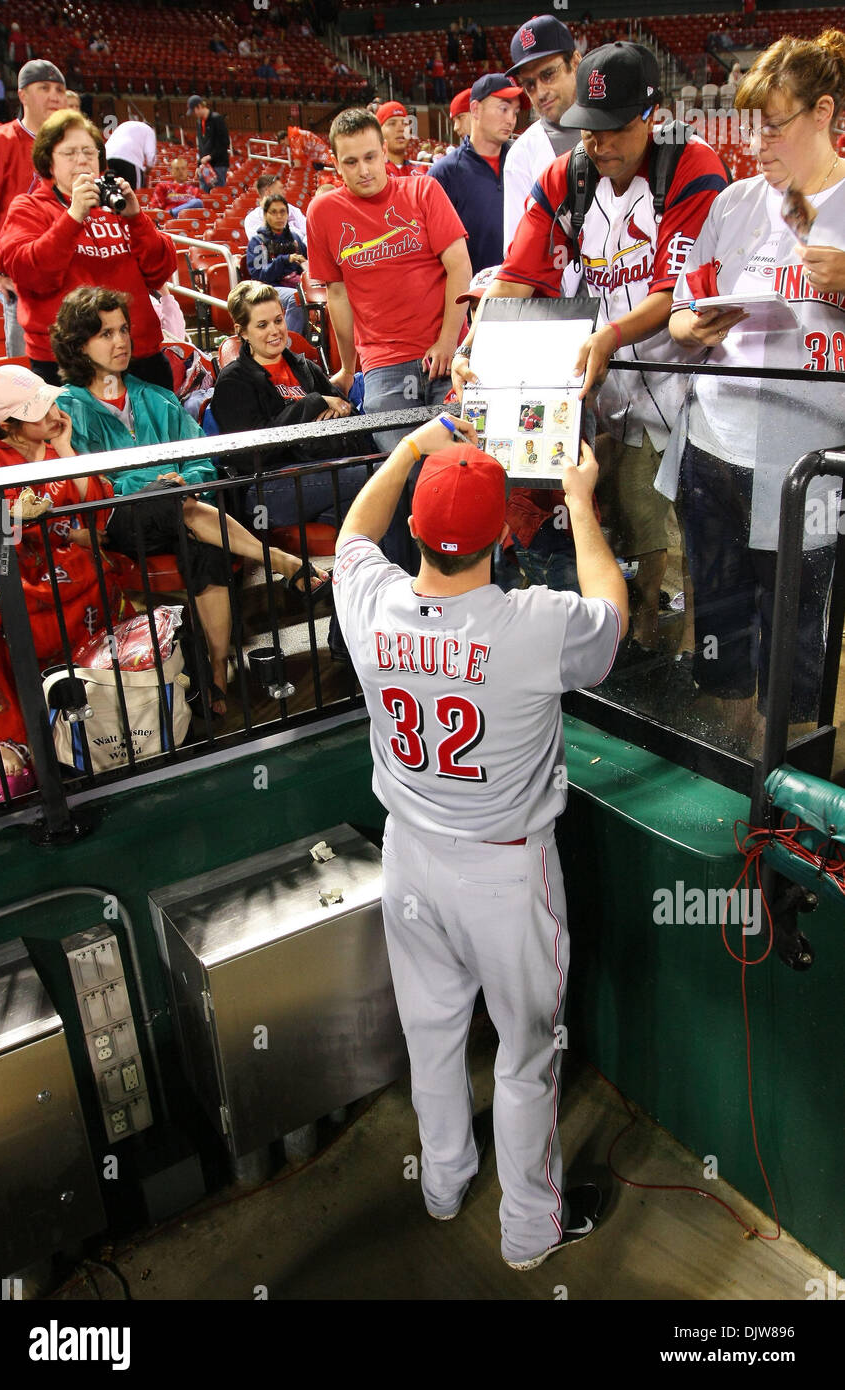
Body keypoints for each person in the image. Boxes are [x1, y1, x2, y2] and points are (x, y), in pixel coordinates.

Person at [330, 412, 627, 1268]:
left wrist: (413, 448)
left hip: (410, 856)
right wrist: (579, 503)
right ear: (502, 535)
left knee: (433, 1038)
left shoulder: (372, 599)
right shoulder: (533, 621)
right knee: (528, 1057)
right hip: (505, 874)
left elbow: (355, 529)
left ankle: (443, 1182)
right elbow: (613, 613)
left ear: (417, 528)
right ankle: (530, 1229)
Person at [453, 42, 729, 658]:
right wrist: (476, 342)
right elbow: (516, 278)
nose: (598, 144)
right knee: (628, 513)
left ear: (649, 116)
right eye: (588, 130)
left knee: (690, 527)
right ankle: (637, 635)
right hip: (611, 380)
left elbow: (672, 292)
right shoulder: (570, 173)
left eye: (612, 131)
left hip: (690, 377)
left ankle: (684, 650)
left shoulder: (691, 167)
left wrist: (608, 335)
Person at [663, 27, 845, 728]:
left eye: (775, 126)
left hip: (807, 464)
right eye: (753, 127)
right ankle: (722, 800)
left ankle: (787, 820)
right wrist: (688, 326)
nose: (759, 143)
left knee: (797, 665)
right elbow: (685, 303)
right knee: (721, 654)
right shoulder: (734, 204)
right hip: (713, 447)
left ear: (824, 113)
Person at [51, 286, 320, 715]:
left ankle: (214, 671)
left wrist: (183, 480)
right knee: (174, 498)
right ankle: (279, 561)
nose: (121, 342)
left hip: (182, 512)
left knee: (203, 543)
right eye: (106, 334)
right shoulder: (68, 407)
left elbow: (201, 459)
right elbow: (96, 483)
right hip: (118, 523)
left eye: (124, 330)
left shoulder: (154, 395)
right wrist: (159, 480)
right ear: (79, 345)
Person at [0, 364, 129, 804]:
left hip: (73, 560)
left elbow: (95, 513)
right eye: (35, 408)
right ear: (7, 423)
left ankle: (98, 718)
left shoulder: (60, 447)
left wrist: (64, 448)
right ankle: (17, 741)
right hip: (14, 563)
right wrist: (16, 521)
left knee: (100, 575)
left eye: (47, 401)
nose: (50, 411)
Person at [306, 107, 471, 469]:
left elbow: (459, 266)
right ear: (336, 164)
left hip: (448, 352)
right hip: (385, 362)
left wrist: (447, 341)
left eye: (369, 157)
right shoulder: (322, 212)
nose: (363, 170)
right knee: (405, 470)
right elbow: (338, 294)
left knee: (462, 463)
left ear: (384, 152)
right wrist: (349, 368)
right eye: (351, 162)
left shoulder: (424, 189)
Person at [0, 108, 176, 390]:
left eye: (89, 152)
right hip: (68, 368)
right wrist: (73, 217)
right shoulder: (29, 208)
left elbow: (160, 271)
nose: (81, 160)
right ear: (49, 163)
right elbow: (30, 274)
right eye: (69, 153)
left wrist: (136, 218)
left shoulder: (115, 204)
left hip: (139, 358)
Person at [212, 281, 368, 532]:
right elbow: (254, 453)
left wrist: (341, 408)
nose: (275, 331)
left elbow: (343, 408)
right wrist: (313, 404)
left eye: (278, 320)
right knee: (383, 474)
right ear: (242, 332)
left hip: (323, 468)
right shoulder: (234, 381)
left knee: (377, 509)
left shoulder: (304, 367)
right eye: (262, 325)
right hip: (268, 486)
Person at [0, 58, 66, 357]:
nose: (55, 96)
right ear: (23, 94)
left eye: (59, 88)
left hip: (70, 277)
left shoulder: (70, 143)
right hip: (21, 282)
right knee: (27, 375)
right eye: (44, 88)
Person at [428, 73, 523, 275]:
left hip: (522, 293)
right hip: (470, 299)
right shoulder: (443, 174)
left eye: (515, 112)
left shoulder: (523, 162)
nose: (511, 120)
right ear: (475, 109)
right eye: (503, 109)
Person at [502, 16, 581, 253]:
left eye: (548, 74)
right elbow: (517, 253)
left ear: (575, 62)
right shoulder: (521, 155)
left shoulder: (622, 126)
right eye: (530, 85)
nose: (541, 93)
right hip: (560, 288)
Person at [245, 194, 308, 335]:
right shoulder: (258, 241)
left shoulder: (295, 238)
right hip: (269, 288)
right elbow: (260, 274)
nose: (279, 216)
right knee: (296, 297)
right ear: (266, 215)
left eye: (282, 212)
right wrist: (285, 260)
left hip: (298, 284)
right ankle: (289, 346)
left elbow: (307, 264)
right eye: (274, 212)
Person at [244, 172, 307, 242]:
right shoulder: (252, 218)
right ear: (268, 192)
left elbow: (308, 232)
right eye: (281, 188)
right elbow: (260, 243)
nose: (284, 192)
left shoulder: (294, 210)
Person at [187, 95, 230, 190]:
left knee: (217, 193)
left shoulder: (217, 119)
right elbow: (201, 147)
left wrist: (210, 156)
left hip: (218, 165)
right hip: (205, 167)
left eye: (194, 111)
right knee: (204, 197)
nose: (194, 114)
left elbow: (225, 143)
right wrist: (199, 165)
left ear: (199, 106)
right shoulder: (199, 122)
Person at [104, 118, 157, 191]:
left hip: (109, 156)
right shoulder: (149, 130)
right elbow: (151, 156)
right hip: (130, 158)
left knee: (116, 190)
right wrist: (146, 172)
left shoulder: (126, 124)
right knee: (136, 192)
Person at [376, 101, 415, 177]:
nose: (401, 129)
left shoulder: (422, 172)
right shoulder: (372, 174)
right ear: (378, 131)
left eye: (405, 123)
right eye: (392, 123)